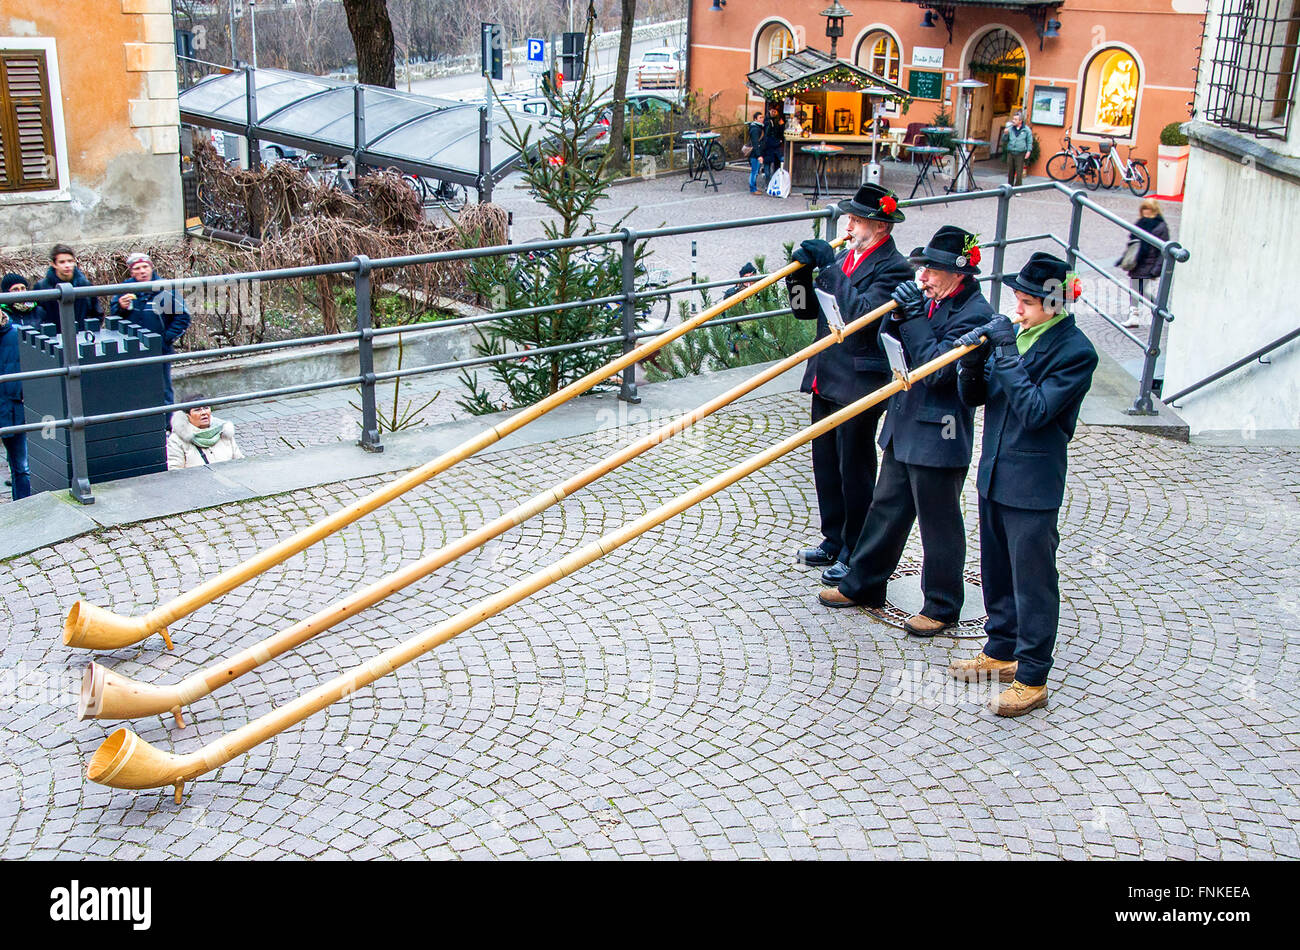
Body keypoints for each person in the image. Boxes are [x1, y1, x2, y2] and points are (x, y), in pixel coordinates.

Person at [818, 225, 993, 635]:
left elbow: (937, 370)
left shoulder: (976, 314)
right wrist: (896, 317)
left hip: (940, 434)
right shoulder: (932, 301)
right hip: (905, 425)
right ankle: (863, 584)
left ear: (959, 273)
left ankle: (942, 605)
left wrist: (911, 316)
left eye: (932, 270)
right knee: (885, 511)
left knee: (939, 524)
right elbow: (891, 347)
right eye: (924, 268)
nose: (923, 277)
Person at [950, 252, 1098, 716]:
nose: (1018, 307)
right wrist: (973, 363)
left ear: (1053, 305)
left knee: (1032, 580)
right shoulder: (1018, 335)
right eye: (1017, 298)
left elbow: (1036, 411)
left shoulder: (1075, 352)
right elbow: (978, 398)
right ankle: (1001, 648)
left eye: (1027, 301)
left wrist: (1006, 353)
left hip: (1033, 483)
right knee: (995, 570)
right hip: (994, 473)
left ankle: (1033, 675)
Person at [784, 184, 913, 584]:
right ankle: (833, 537)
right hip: (826, 372)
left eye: (856, 220)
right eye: (849, 219)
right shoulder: (845, 257)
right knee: (825, 462)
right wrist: (800, 273)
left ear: (878, 226)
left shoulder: (895, 268)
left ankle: (855, 548)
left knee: (853, 466)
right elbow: (806, 312)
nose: (848, 225)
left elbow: (862, 317)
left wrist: (830, 270)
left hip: (860, 379)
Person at [112, 251, 191, 409]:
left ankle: (167, 425)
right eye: (137, 268)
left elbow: (182, 317)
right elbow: (113, 319)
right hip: (131, 348)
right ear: (131, 271)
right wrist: (120, 307)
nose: (142, 271)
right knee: (134, 388)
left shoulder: (164, 289)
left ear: (151, 268)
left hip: (158, 349)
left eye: (145, 267)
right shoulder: (125, 289)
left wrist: (165, 339)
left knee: (162, 388)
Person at [1, 275, 33, 500]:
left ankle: (23, 507)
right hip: (9, 406)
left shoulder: (14, 335)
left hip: (11, 408)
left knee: (21, 466)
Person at [1122, 198, 1169, 328]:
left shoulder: (1161, 227)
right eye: (1144, 209)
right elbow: (1133, 242)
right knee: (1136, 290)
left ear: (1154, 210)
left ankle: (1157, 308)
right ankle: (1137, 315)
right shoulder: (1140, 223)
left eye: (1148, 210)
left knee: (1139, 290)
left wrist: (1156, 270)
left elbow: (1163, 251)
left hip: (1149, 265)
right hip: (1137, 263)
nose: (1146, 212)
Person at [33, 244, 102, 328]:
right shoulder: (41, 287)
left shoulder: (84, 284)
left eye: (70, 261)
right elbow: (36, 317)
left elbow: (96, 313)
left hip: (82, 336)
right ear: (53, 264)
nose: (67, 265)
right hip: (53, 338)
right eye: (62, 262)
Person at [167, 398, 244, 469]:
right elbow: (175, 472)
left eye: (206, 408)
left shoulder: (224, 431)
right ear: (187, 416)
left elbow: (239, 461)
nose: (204, 413)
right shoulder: (177, 440)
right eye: (197, 410)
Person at [760, 103, 787, 191]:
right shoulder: (767, 121)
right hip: (768, 146)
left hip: (775, 146)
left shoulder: (778, 120)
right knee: (767, 165)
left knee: (776, 165)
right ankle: (768, 183)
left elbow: (780, 133)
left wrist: (781, 126)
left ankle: (773, 182)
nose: (774, 113)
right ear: (769, 111)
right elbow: (767, 134)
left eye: (775, 111)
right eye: (773, 111)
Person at [1003, 111, 1032, 186]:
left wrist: (1028, 151)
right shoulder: (1010, 128)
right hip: (1011, 151)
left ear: (1020, 121)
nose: (1013, 121)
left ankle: (1018, 188)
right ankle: (1009, 186)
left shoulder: (1026, 129)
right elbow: (1004, 140)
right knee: (1010, 171)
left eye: (1015, 119)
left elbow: (1029, 141)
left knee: (1019, 172)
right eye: (1013, 119)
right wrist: (1005, 134)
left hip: (1020, 153)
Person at [747, 110, 765, 194]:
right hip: (755, 154)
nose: (762, 119)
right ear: (755, 119)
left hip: (756, 153)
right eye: (760, 118)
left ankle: (754, 188)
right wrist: (759, 155)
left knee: (755, 171)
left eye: (762, 117)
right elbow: (755, 143)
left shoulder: (757, 127)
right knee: (754, 172)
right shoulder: (755, 129)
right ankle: (753, 189)